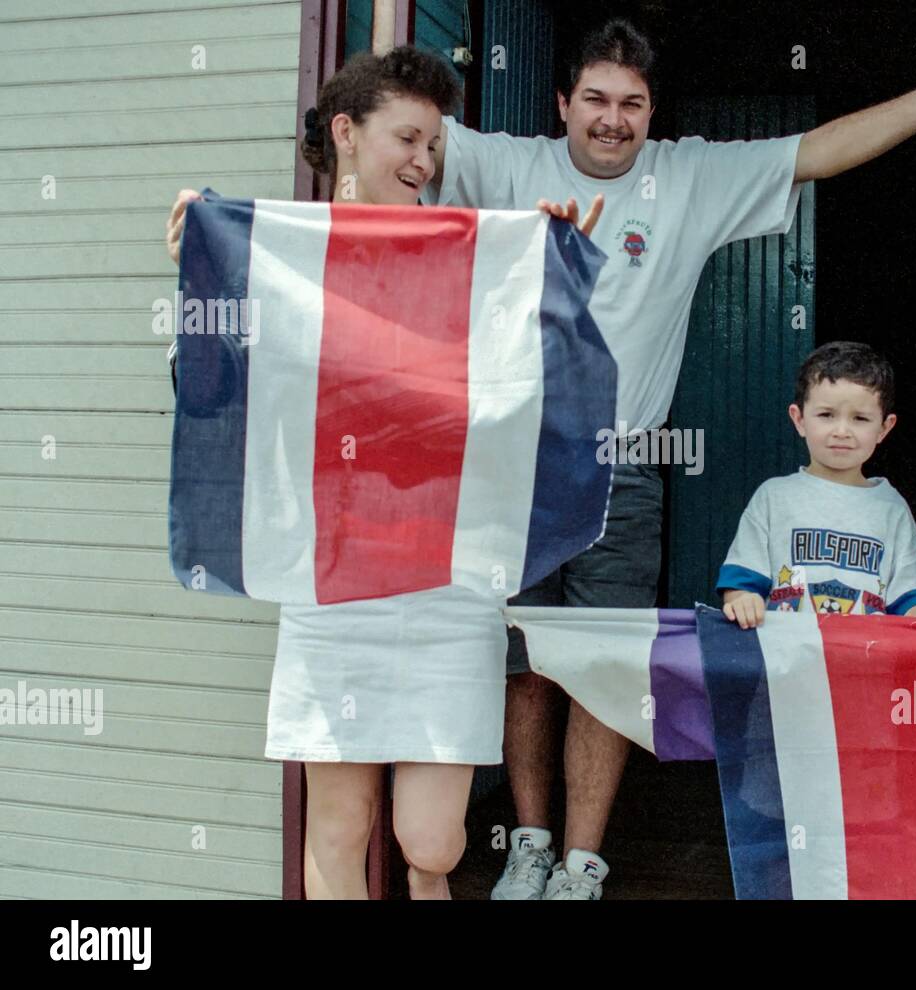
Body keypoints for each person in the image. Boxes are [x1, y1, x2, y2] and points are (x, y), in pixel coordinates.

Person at [414, 18, 916, 899]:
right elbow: (395, 132)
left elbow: (820, 152)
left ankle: (580, 864)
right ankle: (528, 843)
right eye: (597, 100)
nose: (614, 120)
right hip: (510, 463)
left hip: (625, 466)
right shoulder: (504, 163)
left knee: (602, 665)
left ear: (652, 112)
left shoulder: (685, 174)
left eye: (633, 104)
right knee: (524, 660)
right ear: (563, 102)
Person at [163, 46, 599, 899]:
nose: (425, 162)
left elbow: (541, 404)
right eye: (408, 138)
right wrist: (196, 275)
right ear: (346, 134)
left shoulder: (468, 259)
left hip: (448, 581)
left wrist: (559, 279)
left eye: (433, 146)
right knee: (336, 828)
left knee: (432, 843)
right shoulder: (278, 257)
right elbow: (211, 397)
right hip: (334, 581)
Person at [718, 341, 916, 634]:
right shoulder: (773, 497)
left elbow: (913, 598)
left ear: (885, 427)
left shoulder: (891, 508)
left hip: (865, 666)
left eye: (860, 418)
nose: (842, 431)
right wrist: (743, 601)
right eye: (826, 415)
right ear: (799, 419)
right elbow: (740, 584)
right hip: (784, 662)